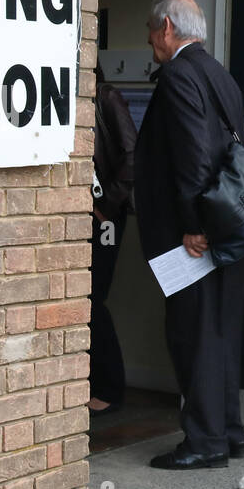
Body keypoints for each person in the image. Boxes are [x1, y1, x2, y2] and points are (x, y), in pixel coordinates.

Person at [133, 0, 244, 469]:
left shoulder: (178, 74)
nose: (149, 41)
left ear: (166, 29)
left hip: (196, 236)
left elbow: (193, 156)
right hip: (228, 227)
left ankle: (204, 442)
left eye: (149, 31)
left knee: (192, 333)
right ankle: (228, 431)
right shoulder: (219, 74)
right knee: (219, 331)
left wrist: (192, 225)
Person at [88, 65, 137, 417]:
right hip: (82, 214)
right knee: (85, 299)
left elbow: (132, 158)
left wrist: (104, 207)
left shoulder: (105, 96)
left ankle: (108, 388)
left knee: (93, 299)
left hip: (103, 216)